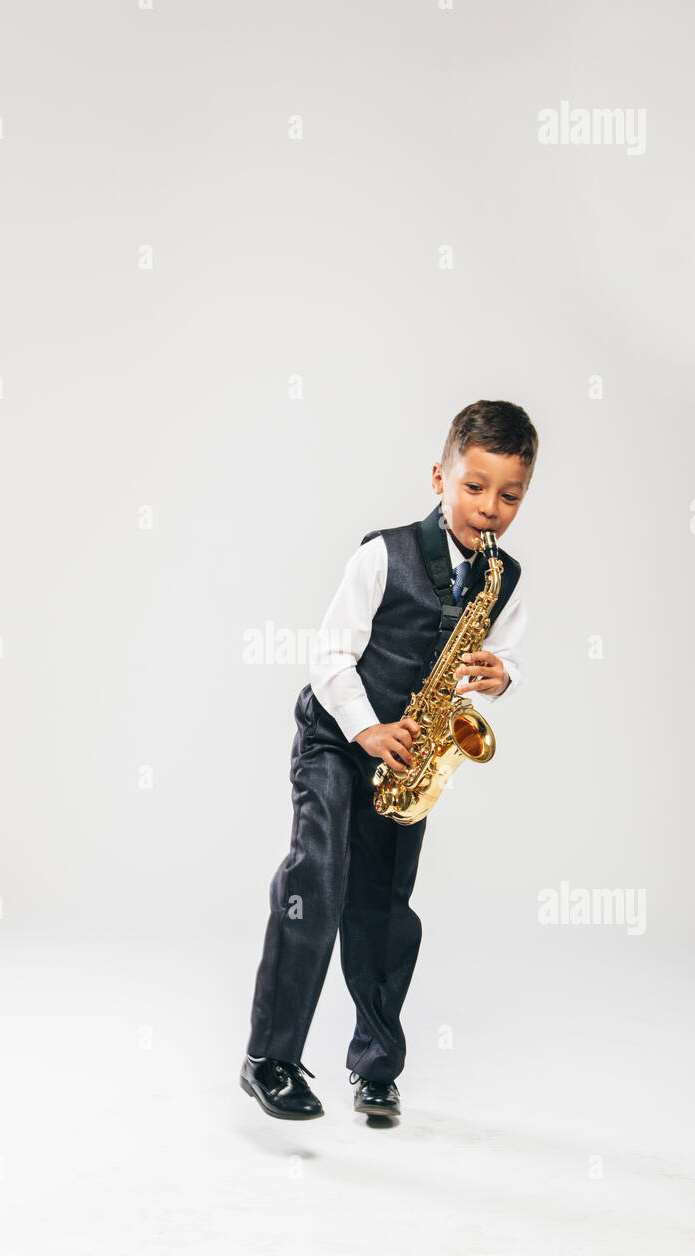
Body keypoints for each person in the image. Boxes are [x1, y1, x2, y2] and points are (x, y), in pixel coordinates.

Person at [240, 400, 537, 1121]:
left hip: (409, 758)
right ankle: (269, 1059)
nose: (489, 508)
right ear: (440, 475)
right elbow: (329, 657)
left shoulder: (504, 578)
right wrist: (366, 728)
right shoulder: (382, 554)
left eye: (509, 495)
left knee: (383, 912)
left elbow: (503, 660)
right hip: (337, 742)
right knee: (319, 878)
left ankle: (376, 1070)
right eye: (474, 487)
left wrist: (503, 678)